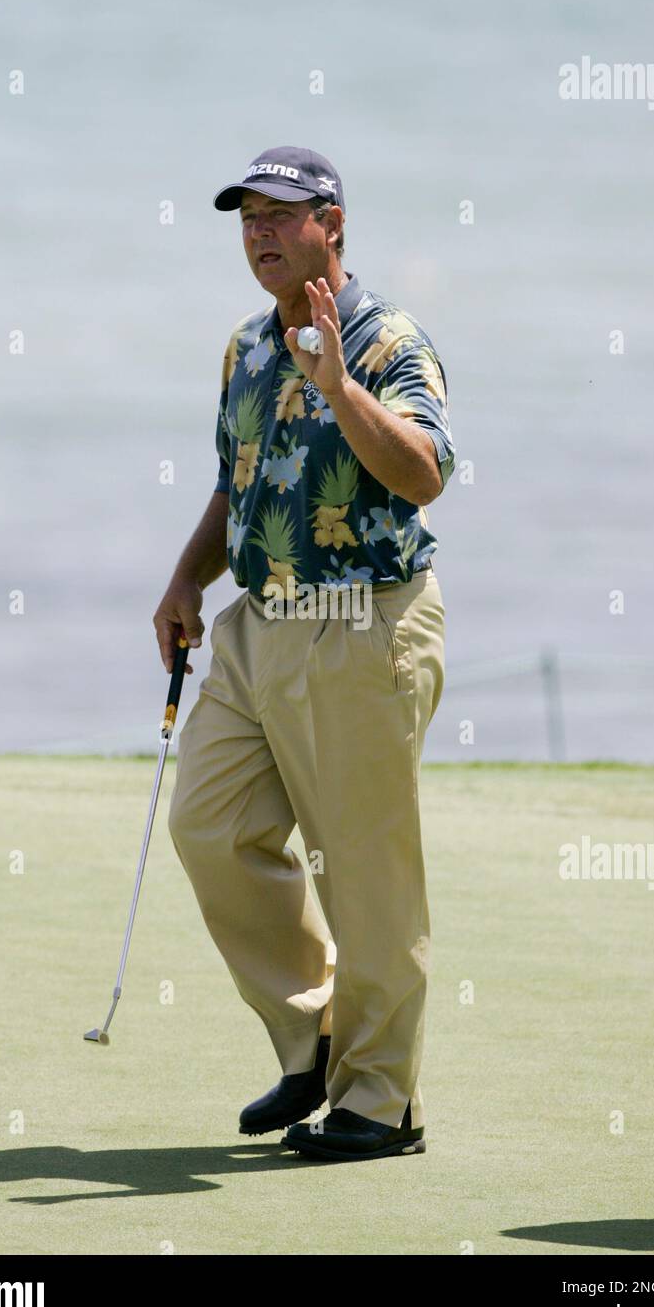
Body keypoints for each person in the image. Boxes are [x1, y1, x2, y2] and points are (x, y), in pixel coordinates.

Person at [153, 145, 455, 1162]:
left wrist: (337, 387)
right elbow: (236, 478)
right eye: (246, 218)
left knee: (365, 877)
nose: (259, 233)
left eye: (279, 214)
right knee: (206, 824)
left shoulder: (386, 340)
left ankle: (382, 1102)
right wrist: (187, 577)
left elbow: (420, 474)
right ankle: (314, 1034)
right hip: (254, 625)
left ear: (333, 221)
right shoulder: (244, 346)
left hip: (362, 621)